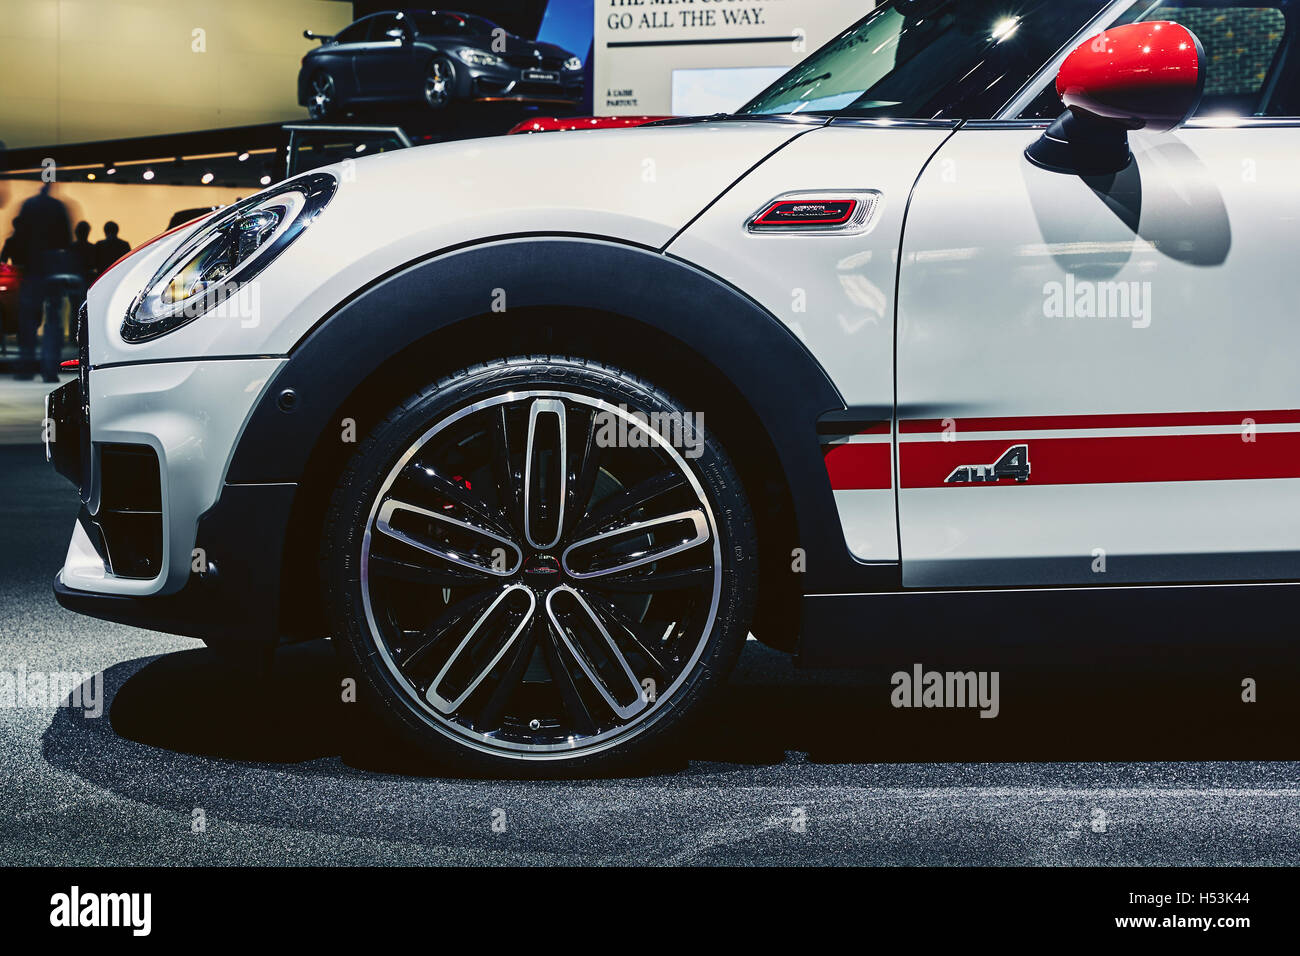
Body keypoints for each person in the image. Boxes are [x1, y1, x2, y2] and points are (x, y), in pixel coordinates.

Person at [14, 184, 72, 382]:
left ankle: (26, 367)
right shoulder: (59, 207)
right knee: (53, 320)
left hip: (32, 268)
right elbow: (66, 240)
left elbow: (19, 236)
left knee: (28, 320)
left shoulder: (28, 205)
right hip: (53, 267)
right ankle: (49, 369)